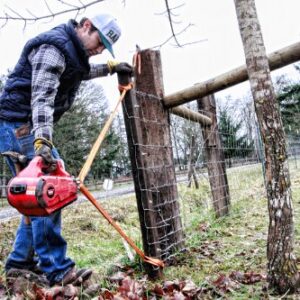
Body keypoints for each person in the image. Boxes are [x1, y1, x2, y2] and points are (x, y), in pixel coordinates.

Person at [0, 13, 132, 287]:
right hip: (21, 125)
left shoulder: (72, 52)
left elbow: (80, 72)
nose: (98, 50)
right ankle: (58, 270)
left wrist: (110, 66)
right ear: (86, 26)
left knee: (32, 199)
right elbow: (42, 99)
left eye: (104, 48)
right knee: (51, 190)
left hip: (21, 125)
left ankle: (19, 265)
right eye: (99, 42)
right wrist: (43, 142)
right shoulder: (54, 48)